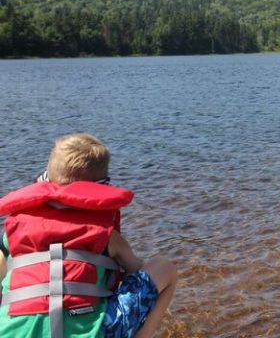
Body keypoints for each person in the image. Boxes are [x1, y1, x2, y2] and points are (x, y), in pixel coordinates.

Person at [0, 133, 178, 338]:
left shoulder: (13, 232)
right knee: (165, 268)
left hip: (11, 333)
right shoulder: (107, 236)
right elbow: (137, 273)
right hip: (92, 333)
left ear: (46, 179)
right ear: (101, 187)